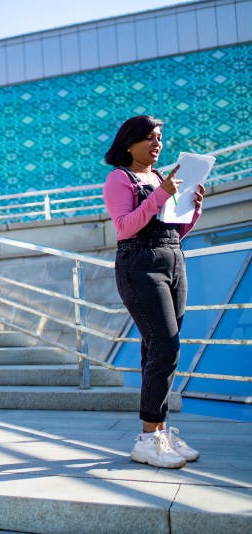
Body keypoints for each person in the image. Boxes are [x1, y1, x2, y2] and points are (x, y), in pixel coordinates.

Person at [103, 115, 204, 469]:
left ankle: (159, 431)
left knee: (158, 348)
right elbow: (126, 226)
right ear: (129, 143)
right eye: (148, 138)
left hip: (173, 259)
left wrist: (194, 207)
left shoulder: (162, 178)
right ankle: (147, 437)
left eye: (159, 138)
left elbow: (175, 229)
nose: (156, 144)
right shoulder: (120, 178)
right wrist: (162, 194)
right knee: (164, 346)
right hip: (140, 264)